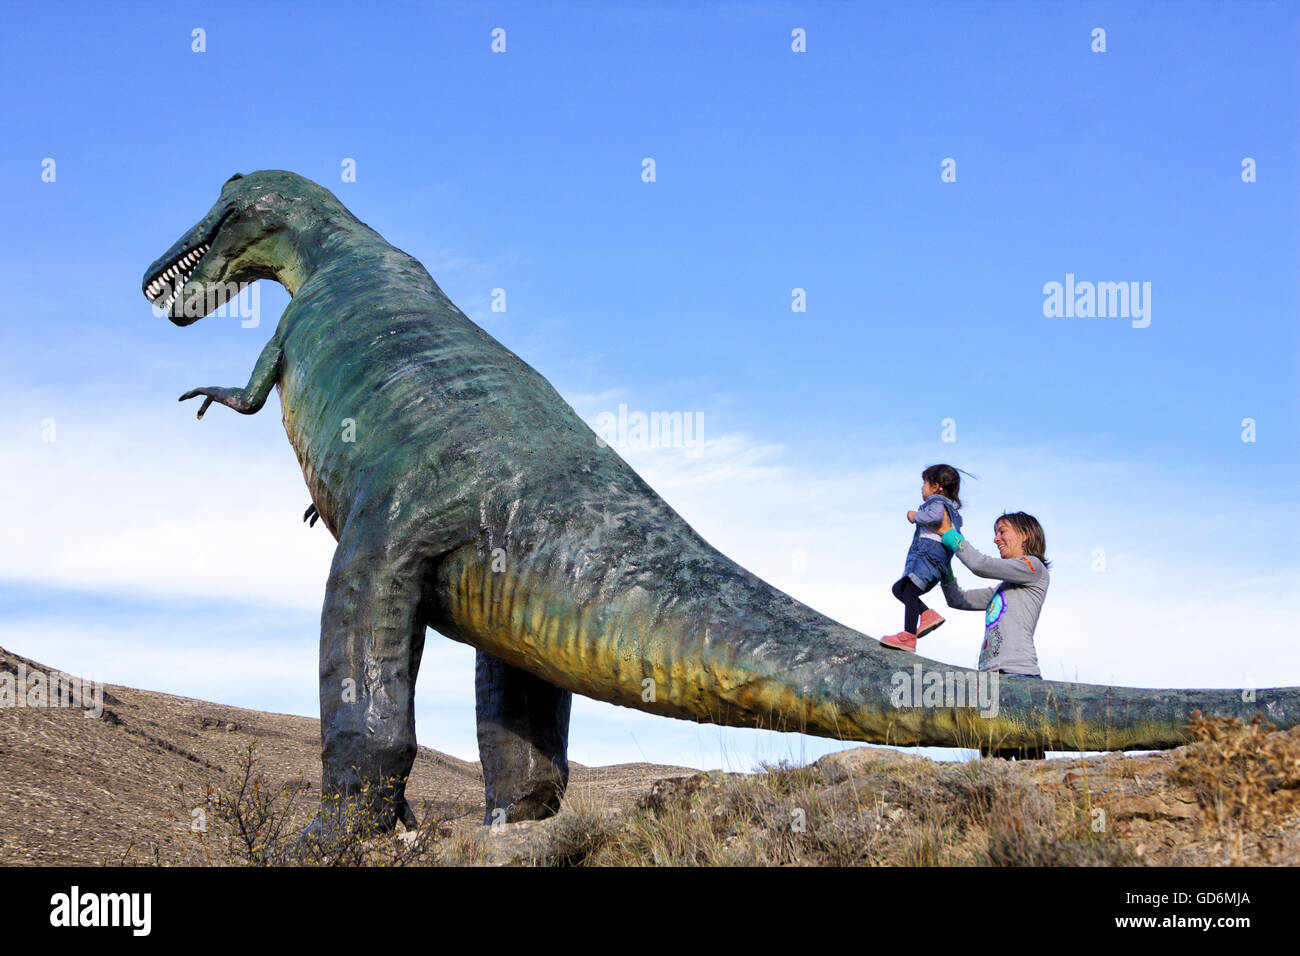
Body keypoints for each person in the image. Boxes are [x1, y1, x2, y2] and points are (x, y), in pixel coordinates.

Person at [936, 508, 1050, 759]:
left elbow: (979, 564)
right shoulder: (1002, 588)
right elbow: (959, 599)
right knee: (992, 768)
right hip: (988, 679)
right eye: (995, 533)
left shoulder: (1034, 568)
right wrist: (945, 568)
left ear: (1025, 535)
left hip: (1020, 677)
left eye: (1002, 531)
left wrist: (951, 535)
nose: (996, 538)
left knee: (1030, 765)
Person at [879, 464, 964, 652]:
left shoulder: (937, 502)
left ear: (935, 487)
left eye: (924, 483)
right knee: (899, 589)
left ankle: (908, 636)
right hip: (937, 561)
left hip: (927, 556)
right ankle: (926, 614)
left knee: (908, 591)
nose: (921, 488)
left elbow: (935, 516)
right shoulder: (954, 513)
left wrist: (915, 516)